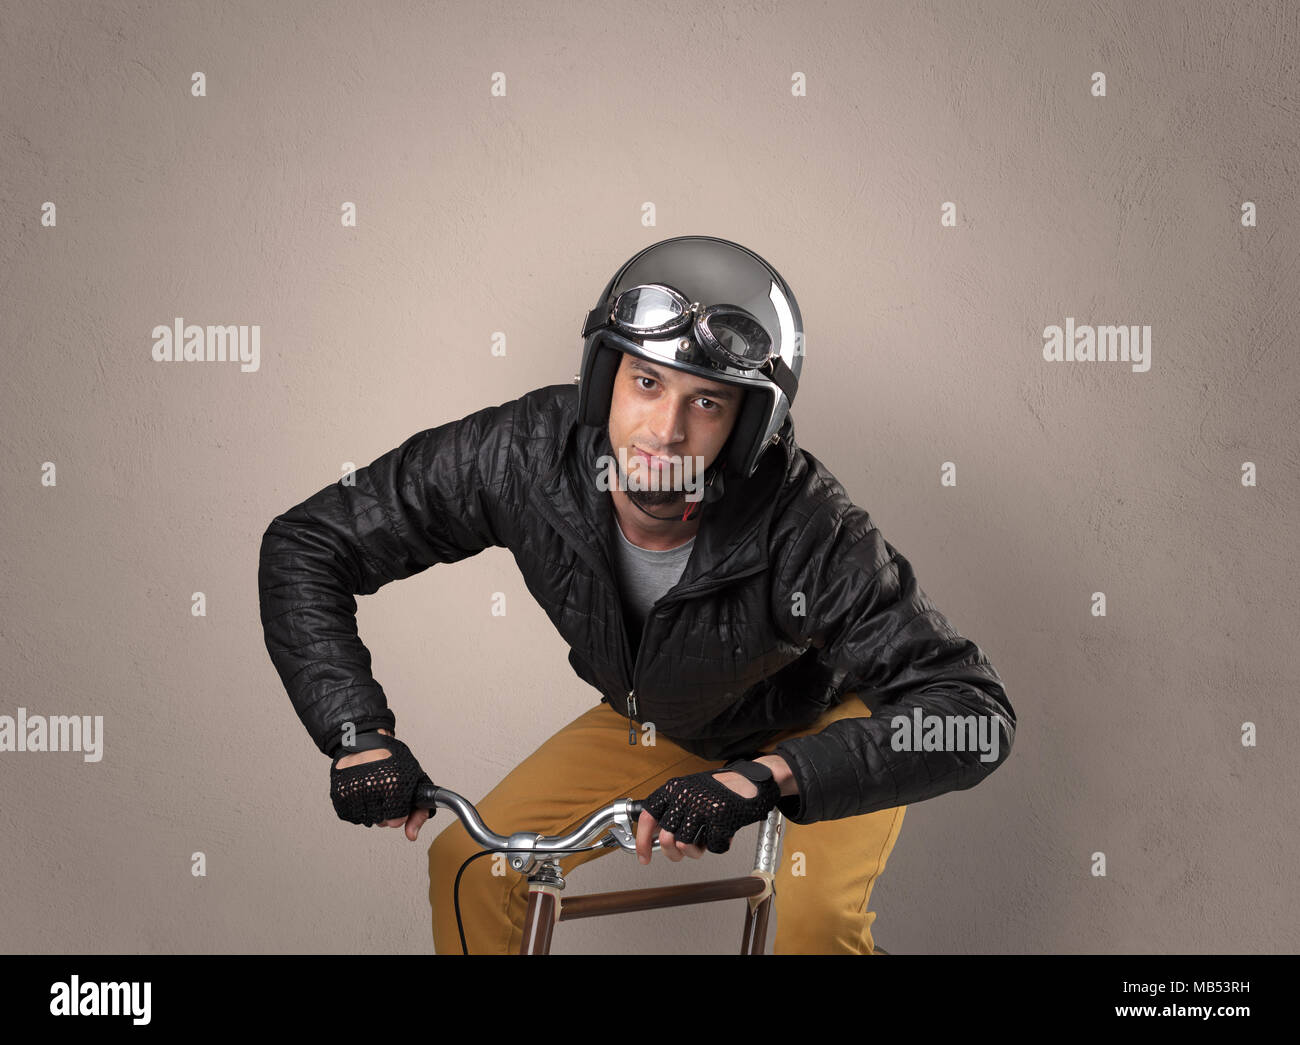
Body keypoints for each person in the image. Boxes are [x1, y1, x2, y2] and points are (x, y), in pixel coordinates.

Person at [258, 235, 1016, 954]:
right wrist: (355, 732)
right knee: (468, 864)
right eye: (647, 383)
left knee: (809, 919)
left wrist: (768, 775)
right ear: (603, 378)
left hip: (828, 720)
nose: (665, 430)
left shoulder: (808, 524)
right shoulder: (520, 455)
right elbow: (310, 543)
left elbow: (973, 713)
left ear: (749, 427)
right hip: (669, 714)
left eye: (708, 402)